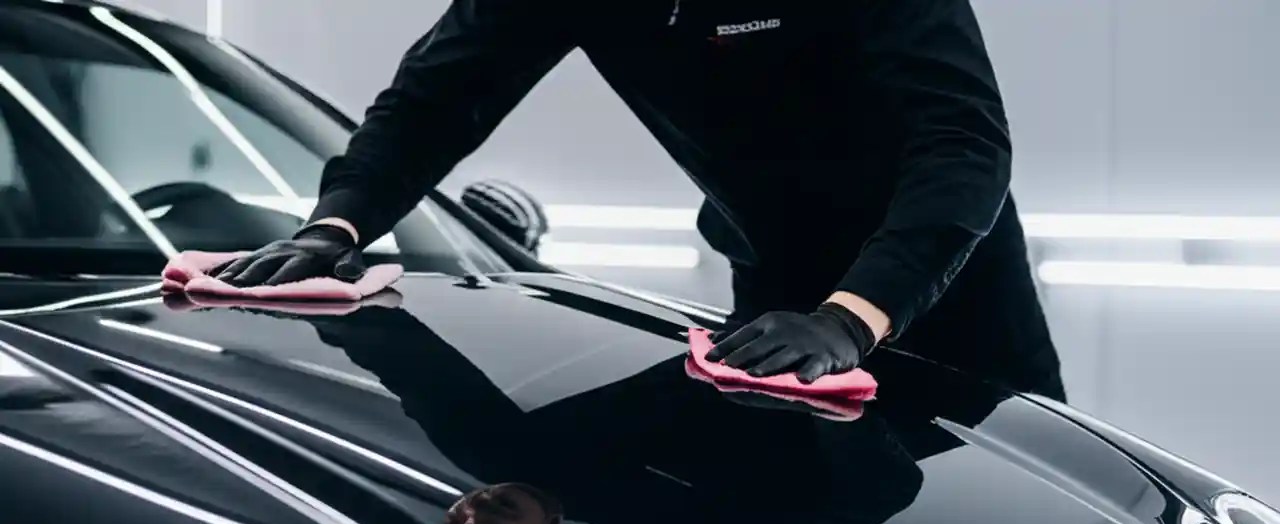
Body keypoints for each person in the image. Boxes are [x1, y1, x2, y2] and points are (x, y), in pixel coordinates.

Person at [214, 0, 1065, 400]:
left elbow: (963, 142)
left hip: (942, 279)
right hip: (772, 278)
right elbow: (439, 98)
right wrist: (341, 220)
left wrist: (851, 318)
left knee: (993, 512)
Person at [306, 306, 925, 524]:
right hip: (919, 395)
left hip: (790, 303)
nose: (482, 520)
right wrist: (832, 406)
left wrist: (330, 302)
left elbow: (410, 366)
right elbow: (882, 497)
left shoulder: (488, 450)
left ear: (453, 509)